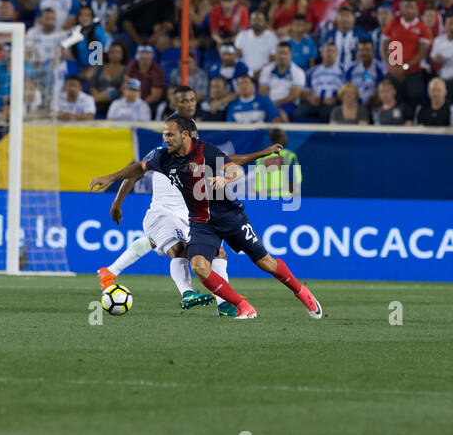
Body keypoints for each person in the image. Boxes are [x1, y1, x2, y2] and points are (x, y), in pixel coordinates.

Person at [90, 115, 324, 320]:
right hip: (201, 222)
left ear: (184, 135)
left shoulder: (206, 151)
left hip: (230, 216)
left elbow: (235, 167)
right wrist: (110, 177)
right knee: (199, 266)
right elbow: (138, 169)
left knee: (266, 263)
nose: (166, 139)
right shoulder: (163, 157)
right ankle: (241, 306)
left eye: (169, 135)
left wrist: (226, 179)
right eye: (164, 135)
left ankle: (300, 291)